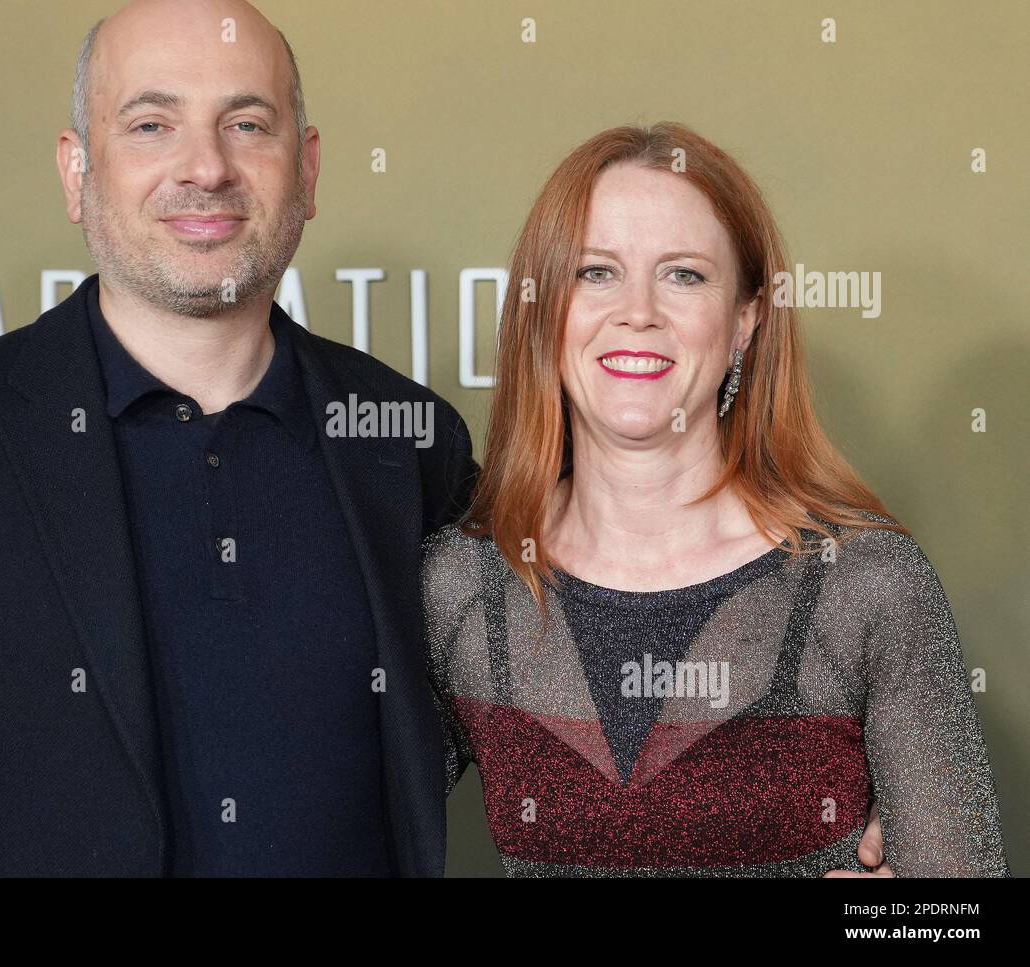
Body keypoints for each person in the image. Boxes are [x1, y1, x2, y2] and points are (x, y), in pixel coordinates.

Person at [0, 0, 475, 877]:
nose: (206, 167)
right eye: (150, 124)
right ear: (75, 171)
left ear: (310, 168)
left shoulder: (410, 442)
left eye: (248, 123)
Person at [422, 122, 1009, 877]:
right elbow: (328, 828)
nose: (638, 310)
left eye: (684, 275)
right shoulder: (463, 586)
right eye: (596, 272)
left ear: (745, 321)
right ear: (543, 310)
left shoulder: (866, 584)